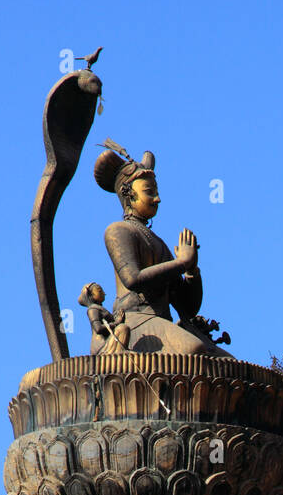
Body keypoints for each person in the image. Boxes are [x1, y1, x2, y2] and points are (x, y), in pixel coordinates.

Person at [93, 144, 221, 356]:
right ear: (128, 194)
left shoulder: (158, 242)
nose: (157, 198)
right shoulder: (118, 231)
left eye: (157, 192)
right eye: (149, 192)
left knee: (225, 364)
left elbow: (186, 308)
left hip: (161, 321)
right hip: (135, 321)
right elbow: (132, 279)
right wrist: (181, 263)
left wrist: (191, 271)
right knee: (193, 351)